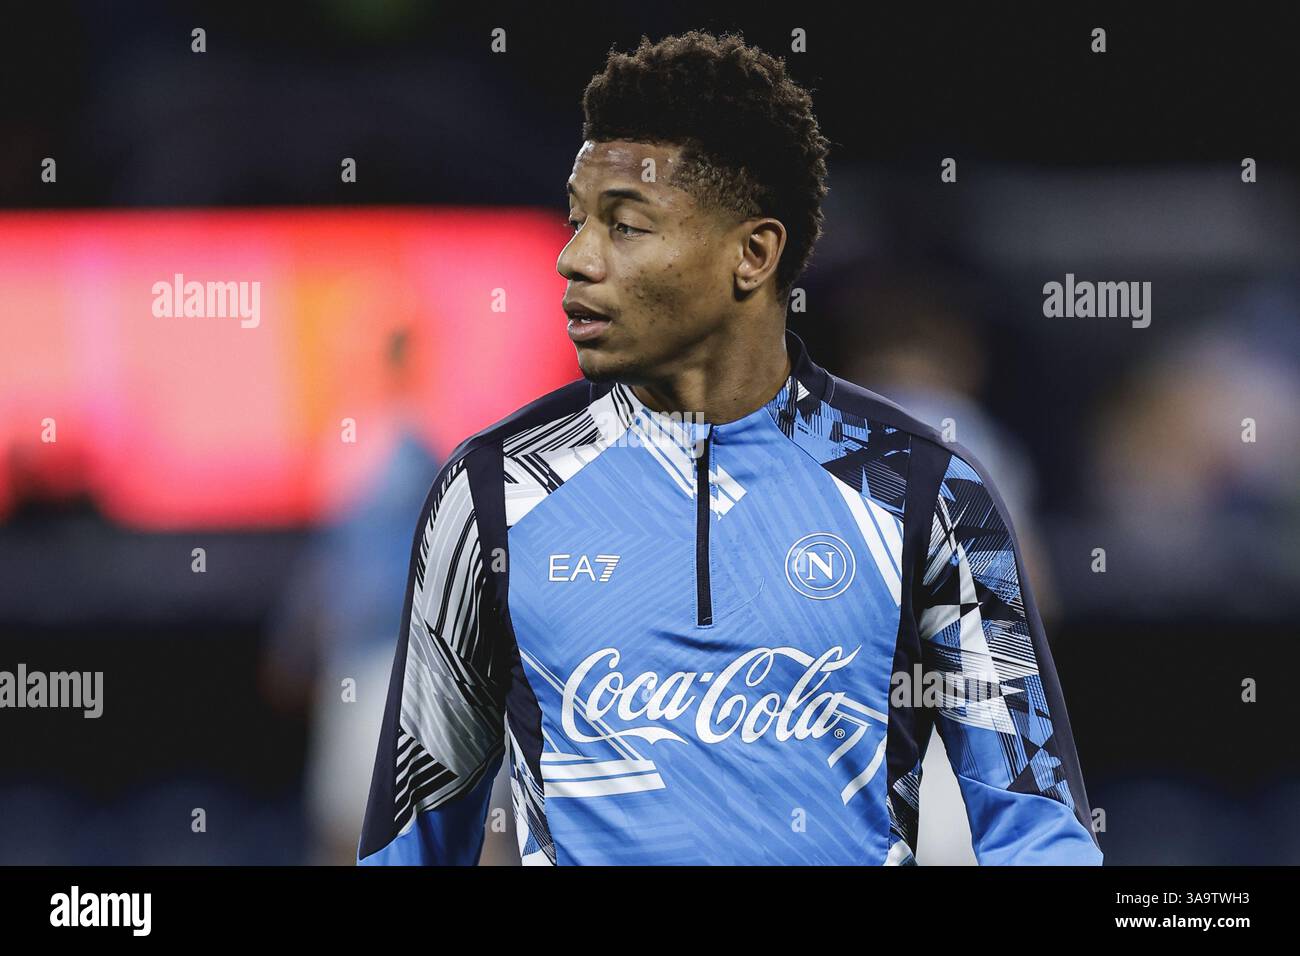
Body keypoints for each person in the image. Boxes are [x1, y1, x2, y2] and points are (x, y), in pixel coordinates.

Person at [358, 31, 1102, 865]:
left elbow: (1035, 829)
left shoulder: (928, 492)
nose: (573, 258)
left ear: (754, 254)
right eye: (577, 223)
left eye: (625, 227)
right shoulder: (488, 495)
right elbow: (411, 843)